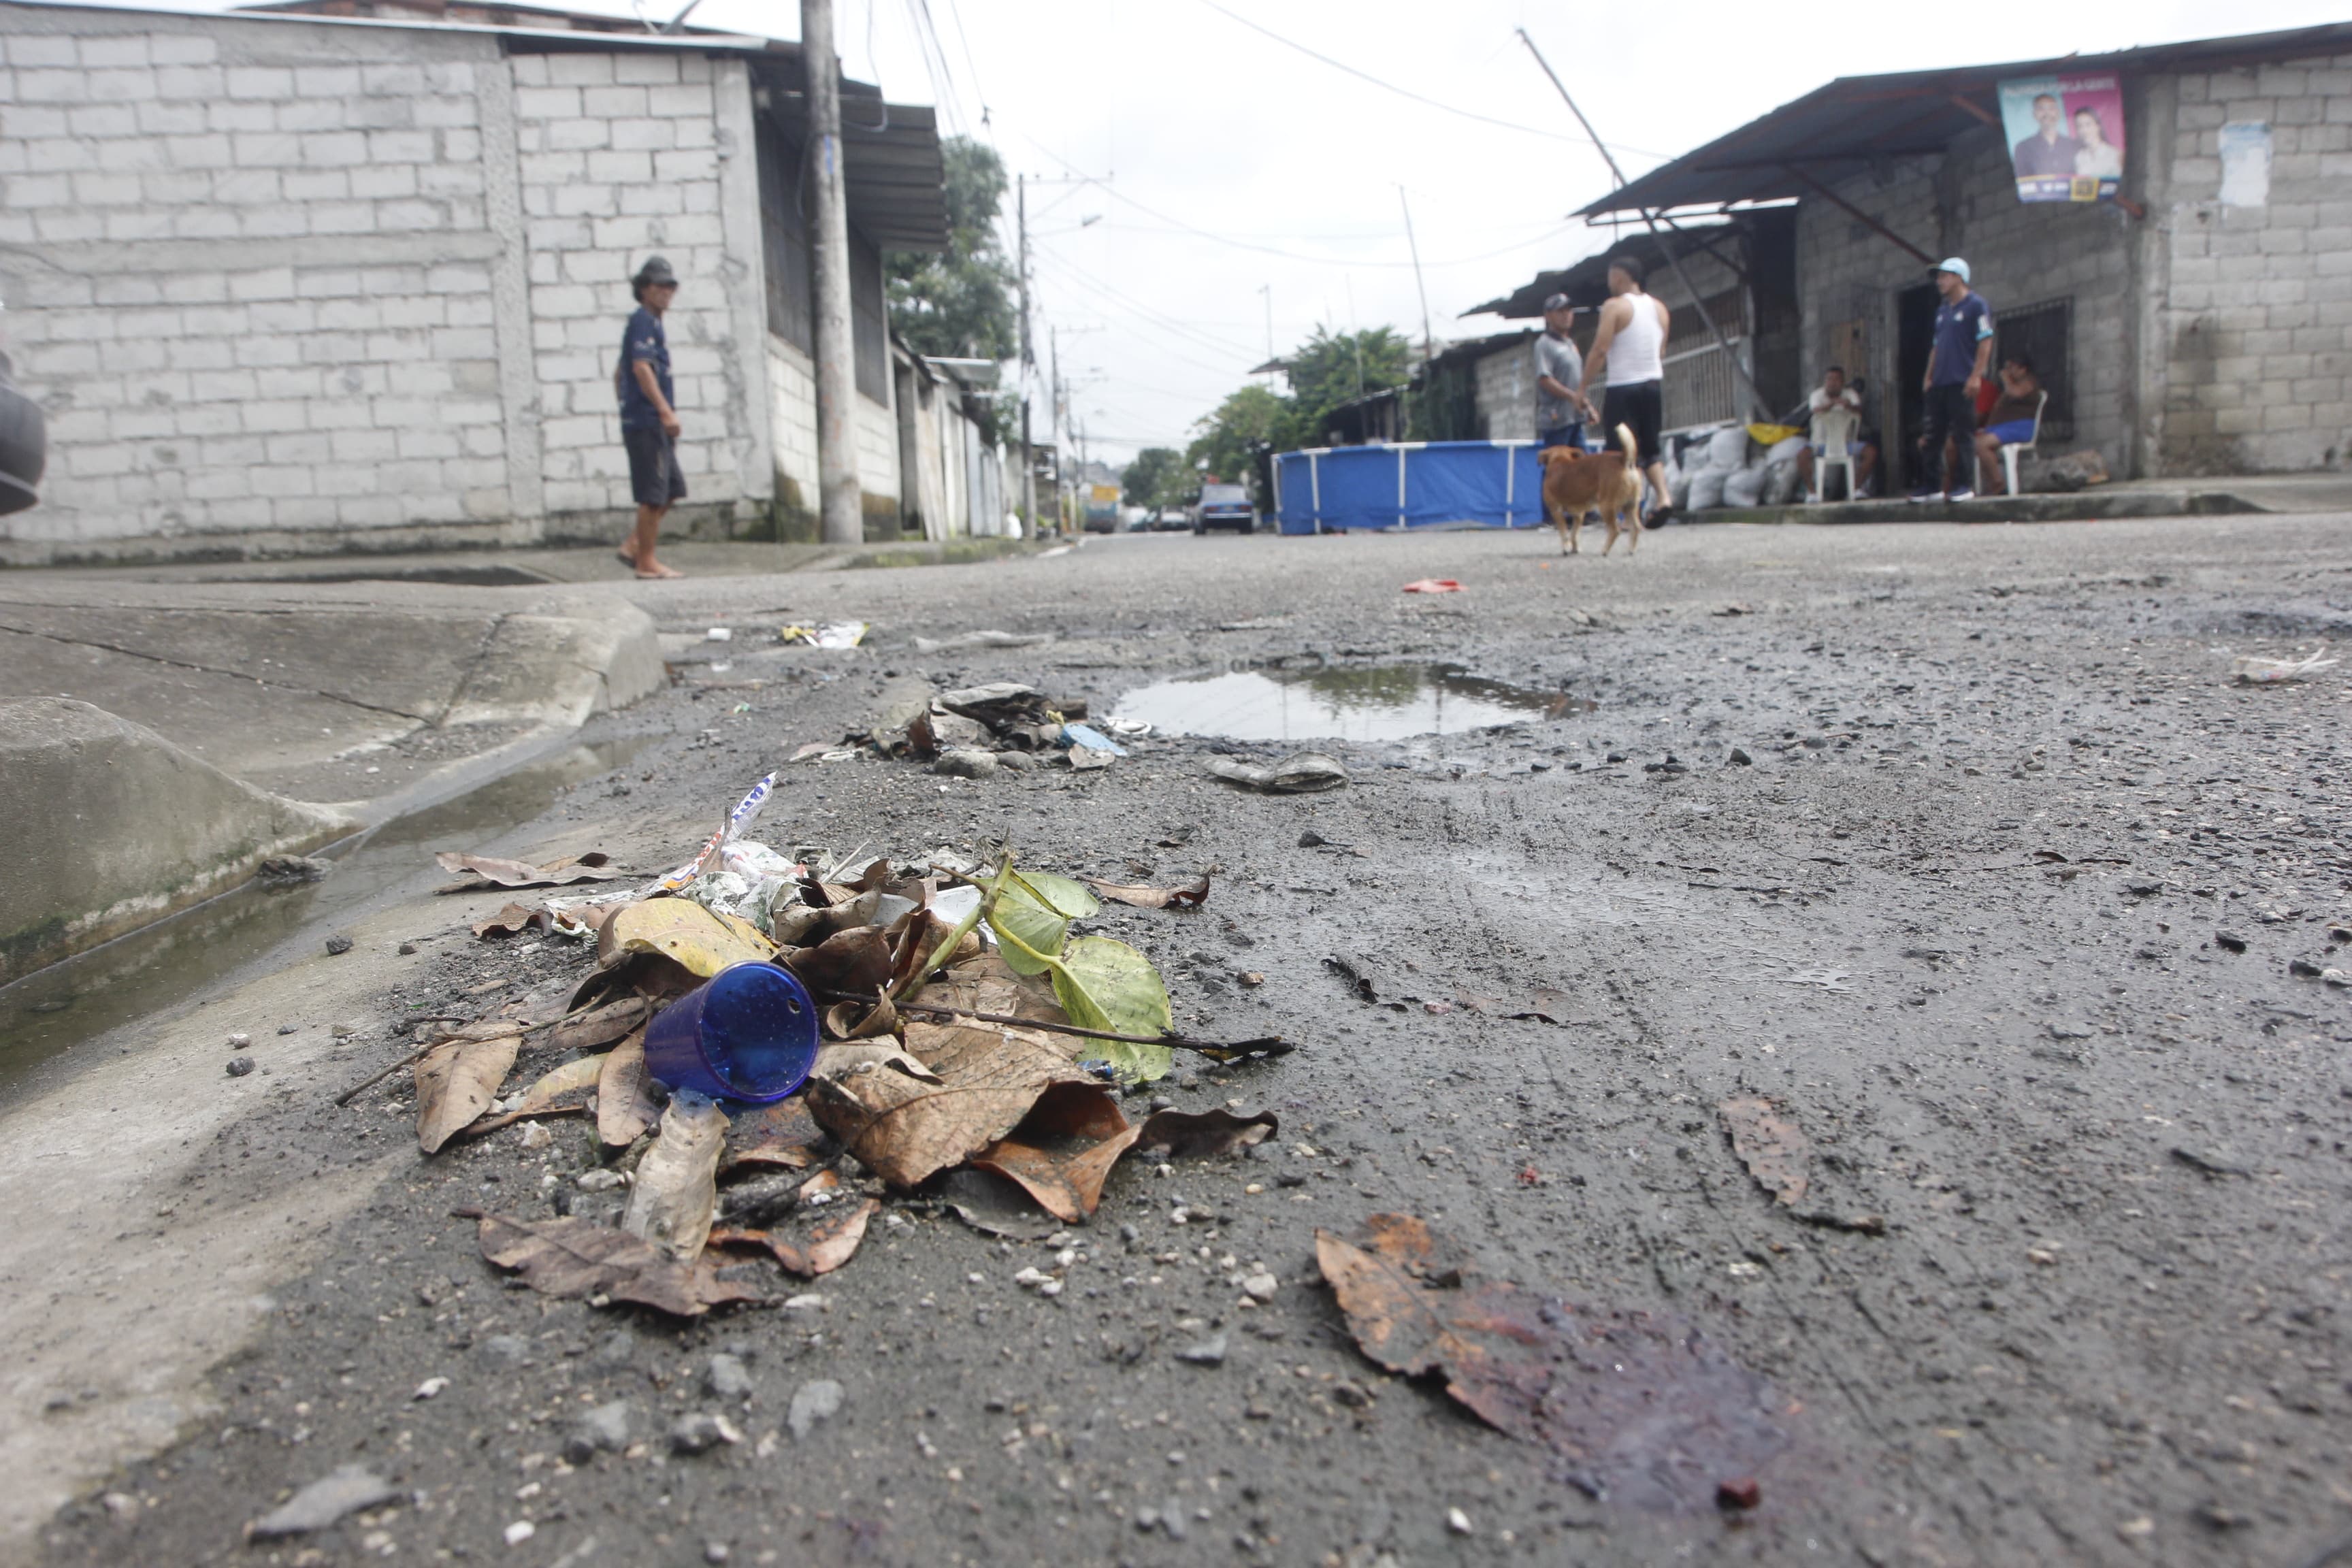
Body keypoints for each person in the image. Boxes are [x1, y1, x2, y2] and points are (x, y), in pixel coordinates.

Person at [1576, 255, 1673, 525]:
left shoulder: (1615, 307)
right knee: (1650, 449)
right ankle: (1664, 497)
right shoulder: (1660, 308)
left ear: (1618, 277)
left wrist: (1582, 388)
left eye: (1610, 277)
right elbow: (1661, 350)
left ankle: (1629, 513)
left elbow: (1600, 350)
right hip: (1653, 383)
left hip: (1622, 387)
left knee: (1620, 454)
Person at [615, 255, 685, 579]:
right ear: (644, 289)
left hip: (649, 420)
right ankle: (646, 562)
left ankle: (634, 545)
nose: (666, 292)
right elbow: (640, 368)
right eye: (659, 286)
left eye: (671, 286)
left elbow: (619, 372)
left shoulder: (652, 324)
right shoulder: (642, 321)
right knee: (652, 494)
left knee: (671, 488)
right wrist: (663, 411)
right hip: (647, 421)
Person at [1910, 257, 1993, 502]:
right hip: (1940, 383)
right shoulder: (1942, 311)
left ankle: (1963, 485)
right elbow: (1936, 347)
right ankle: (1932, 486)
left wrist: (1976, 376)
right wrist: (1928, 376)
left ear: (1959, 277)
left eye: (1944, 276)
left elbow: (1986, 341)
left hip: (1962, 381)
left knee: (1962, 434)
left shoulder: (1976, 305)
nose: (1940, 281)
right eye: (1939, 277)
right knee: (1933, 436)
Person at [1794, 364, 1878, 499]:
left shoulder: (1850, 394)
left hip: (1846, 444)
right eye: (1829, 379)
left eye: (1836, 380)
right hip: (1820, 445)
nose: (1832, 383)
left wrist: (1848, 406)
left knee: (1871, 452)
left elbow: (1859, 410)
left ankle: (1855, 489)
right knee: (1801, 455)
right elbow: (1816, 410)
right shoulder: (1817, 395)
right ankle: (1812, 493)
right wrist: (1831, 404)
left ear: (1842, 382)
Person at [1973, 353, 2044, 495]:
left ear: (2023, 370)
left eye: (2012, 367)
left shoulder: (2028, 382)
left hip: (2018, 428)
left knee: (1980, 445)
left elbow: (2016, 393)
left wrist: (2006, 380)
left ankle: (1998, 484)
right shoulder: (2012, 385)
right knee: (1975, 444)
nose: (2008, 371)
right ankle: (1989, 485)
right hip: (2001, 429)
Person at [1531, 292, 1592, 453]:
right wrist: (1573, 397)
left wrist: (1587, 407)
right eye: (1560, 311)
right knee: (1556, 469)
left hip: (1575, 417)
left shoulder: (1571, 344)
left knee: (1580, 467)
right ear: (1548, 316)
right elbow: (1545, 379)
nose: (1566, 315)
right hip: (1556, 419)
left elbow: (1575, 381)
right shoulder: (1544, 344)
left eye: (1569, 311)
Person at [2012, 93, 2078, 177]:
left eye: (2051, 108)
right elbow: (2023, 182)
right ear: (2034, 114)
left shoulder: (2073, 145)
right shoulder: (2022, 147)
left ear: (2058, 113)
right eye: (2041, 109)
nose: (2047, 113)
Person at [2072, 106, 2123, 178]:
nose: (2084, 131)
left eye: (2088, 124)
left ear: (2098, 126)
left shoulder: (2115, 155)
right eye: (2080, 126)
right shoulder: (2079, 157)